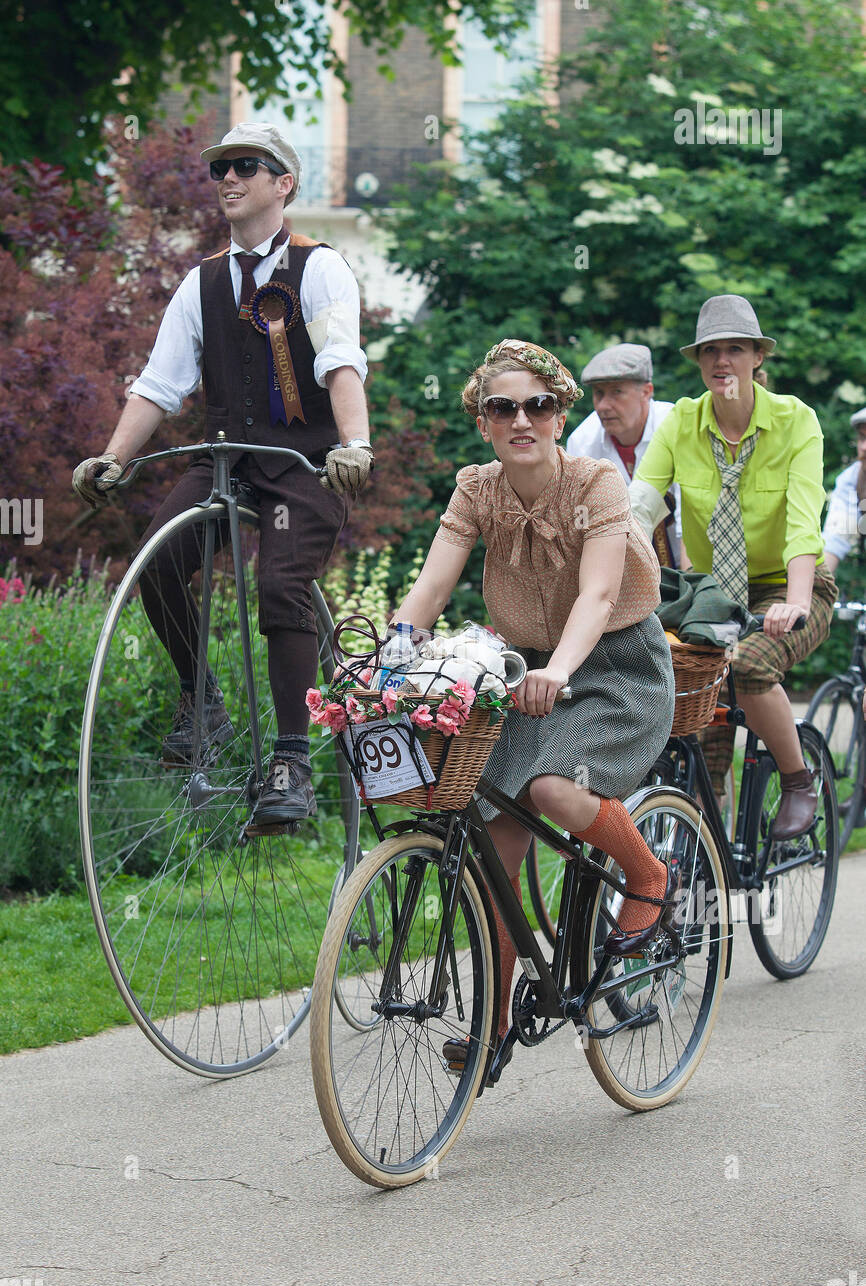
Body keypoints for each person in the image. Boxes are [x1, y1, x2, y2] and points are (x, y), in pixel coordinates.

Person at [72, 122, 373, 827]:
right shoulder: (201, 281)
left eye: (245, 166)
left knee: (279, 583)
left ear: (283, 183)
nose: (228, 179)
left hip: (304, 465)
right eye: (219, 170)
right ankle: (202, 698)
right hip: (228, 462)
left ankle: (291, 762)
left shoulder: (320, 268)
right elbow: (159, 382)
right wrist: (114, 457)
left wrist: (356, 443)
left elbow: (341, 361)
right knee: (161, 559)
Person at [387, 339, 676, 1063]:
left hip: (615, 667)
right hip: (523, 673)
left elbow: (600, 593)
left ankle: (648, 876)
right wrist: (388, 654)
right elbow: (431, 586)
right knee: (494, 837)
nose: (522, 419)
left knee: (553, 787)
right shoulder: (476, 489)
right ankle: (492, 1030)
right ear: (483, 422)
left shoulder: (596, 484)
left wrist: (561, 670)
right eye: (502, 407)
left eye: (537, 405)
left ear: (558, 413)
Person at [629, 294, 837, 838]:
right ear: (699, 361)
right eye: (711, 351)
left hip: (792, 583)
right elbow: (639, 506)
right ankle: (700, 837)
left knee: (746, 666)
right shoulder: (681, 422)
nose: (723, 361)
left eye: (736, 349)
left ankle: (797, 779)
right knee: (690, 703)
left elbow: (801, 523)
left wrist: (793, 600)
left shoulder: (797, 421)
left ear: (756, 358)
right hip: (717, 588)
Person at [565, 343, 680, 566]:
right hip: (617, 570)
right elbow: (580, 526)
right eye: (599, 393)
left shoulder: (677, 426)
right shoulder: (582, 443)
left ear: (647, 392)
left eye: (617, 392)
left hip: (686, 564)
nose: (604, 406)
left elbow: (691, 514)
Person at [821, 406, 866, 574]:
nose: (864, 447)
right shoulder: (852, 479)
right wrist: (817, 589)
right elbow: (836, 536)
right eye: (862, 438)